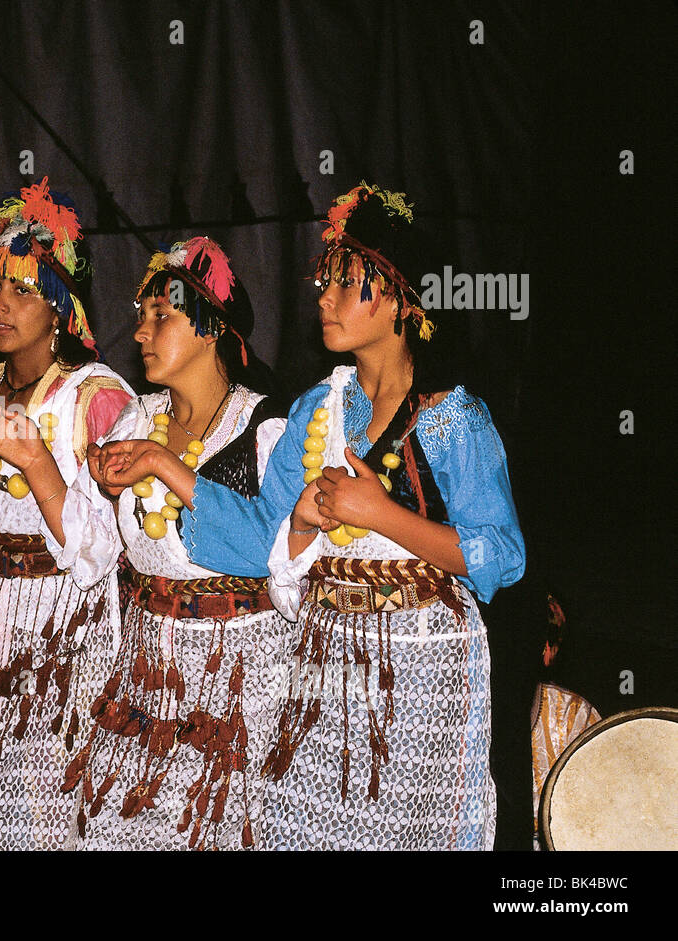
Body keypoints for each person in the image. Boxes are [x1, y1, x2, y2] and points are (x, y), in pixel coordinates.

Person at [173, 182, 525, 849]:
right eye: (322, 280)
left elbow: (501, 556)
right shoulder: (316, 411)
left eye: (345, 282)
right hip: (322, 656)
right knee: (303, 823)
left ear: (397, 297)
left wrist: (382, 513)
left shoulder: (451, 418)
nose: (323, 297)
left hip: (421, 664)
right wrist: (296, 522)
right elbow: (260, 538)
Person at [0, 177, 133, 849]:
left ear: (62, 305)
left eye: (23, 291)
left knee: (50, 797)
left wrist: (38, 461)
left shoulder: (97, 397)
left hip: (67, 618)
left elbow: (112, 547)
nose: (0, 306)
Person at [64, 237, 290, 849]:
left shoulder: (265, 428)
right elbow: (86, 549)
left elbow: (271, 554)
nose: (140, 333)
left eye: (161, 317)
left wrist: (167, 467)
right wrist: (95, 487)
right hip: (148, 683)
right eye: (142, 318)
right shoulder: (136, 421)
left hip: (242, 686)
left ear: (212, 327)